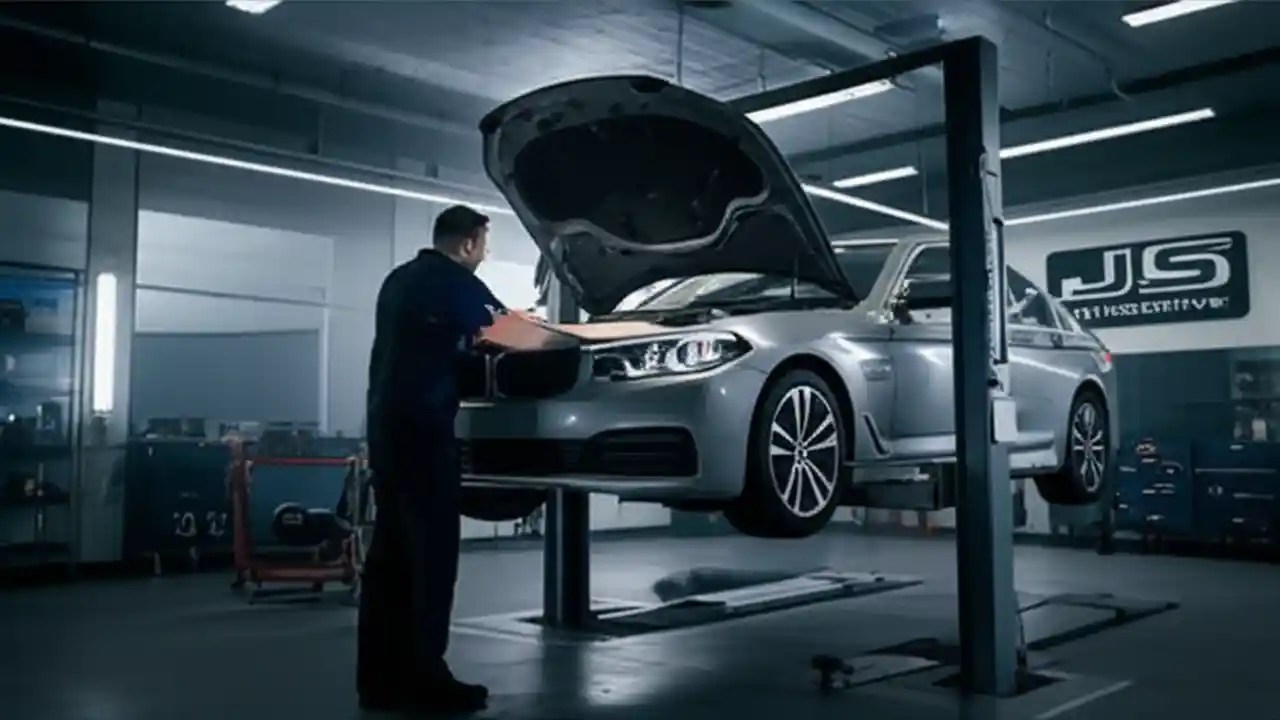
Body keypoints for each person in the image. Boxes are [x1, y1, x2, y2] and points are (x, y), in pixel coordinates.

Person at [357, 205, 504, 714]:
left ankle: (378, 680)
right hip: (425, 433)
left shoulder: (399, 280)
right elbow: (511, 333)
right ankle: (426, 679)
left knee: (390, 557)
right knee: (431, 557)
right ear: (468, 243)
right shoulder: (454, 281)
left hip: (385, 430)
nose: (485, 254)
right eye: (484, 244)